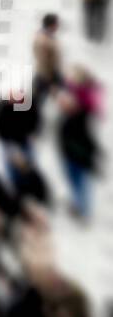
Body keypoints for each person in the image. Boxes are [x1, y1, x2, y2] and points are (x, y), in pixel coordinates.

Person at [57, 78, 102, 219]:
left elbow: (87, 139)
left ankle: (84, 212)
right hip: (69, 158)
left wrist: (93, 152)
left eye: (66, 103)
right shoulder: (65, 119)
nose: (63, 106)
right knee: (75, 185)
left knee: (82, 185)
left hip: (79, 158)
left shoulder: (79, 119)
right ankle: (79, 208)